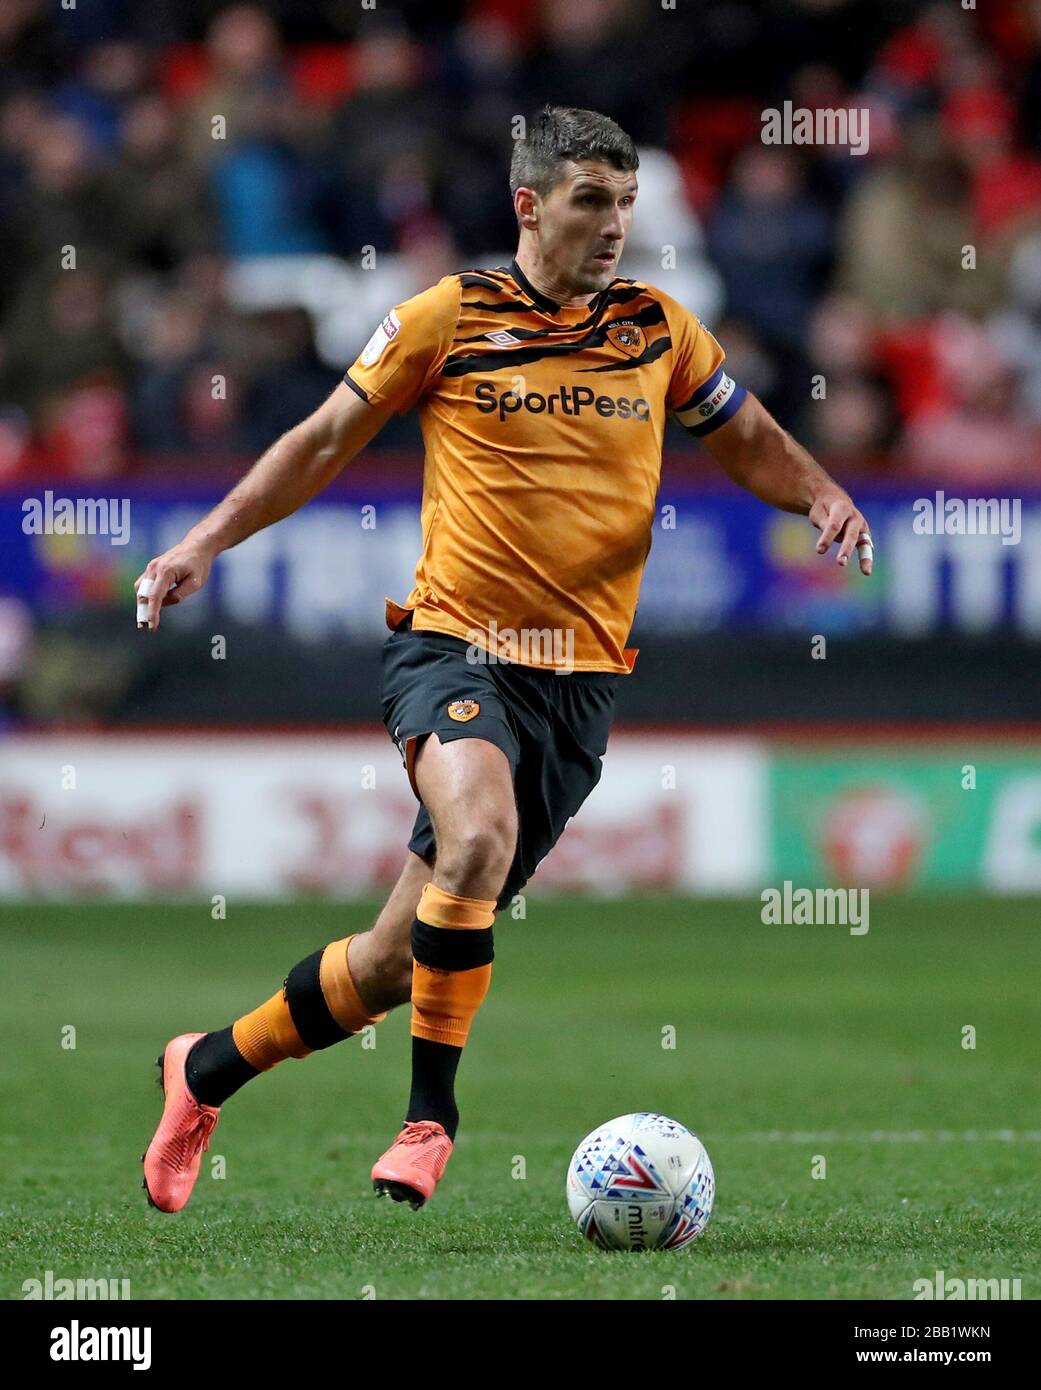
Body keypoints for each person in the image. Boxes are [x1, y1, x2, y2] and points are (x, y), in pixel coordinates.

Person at [137, 106, 873, 1215]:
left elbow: (749, 438)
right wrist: (203, 541)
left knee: (395, 961)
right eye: (592, 201)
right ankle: (430, 1118)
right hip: (454, 647)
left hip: (578, 686)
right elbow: (322, 441)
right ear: (529, 205)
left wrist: (819, 491)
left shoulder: (659, 331)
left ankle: (201, 1070)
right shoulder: (448, 317)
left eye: (626, 203)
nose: (615, 224)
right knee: (478, 834)